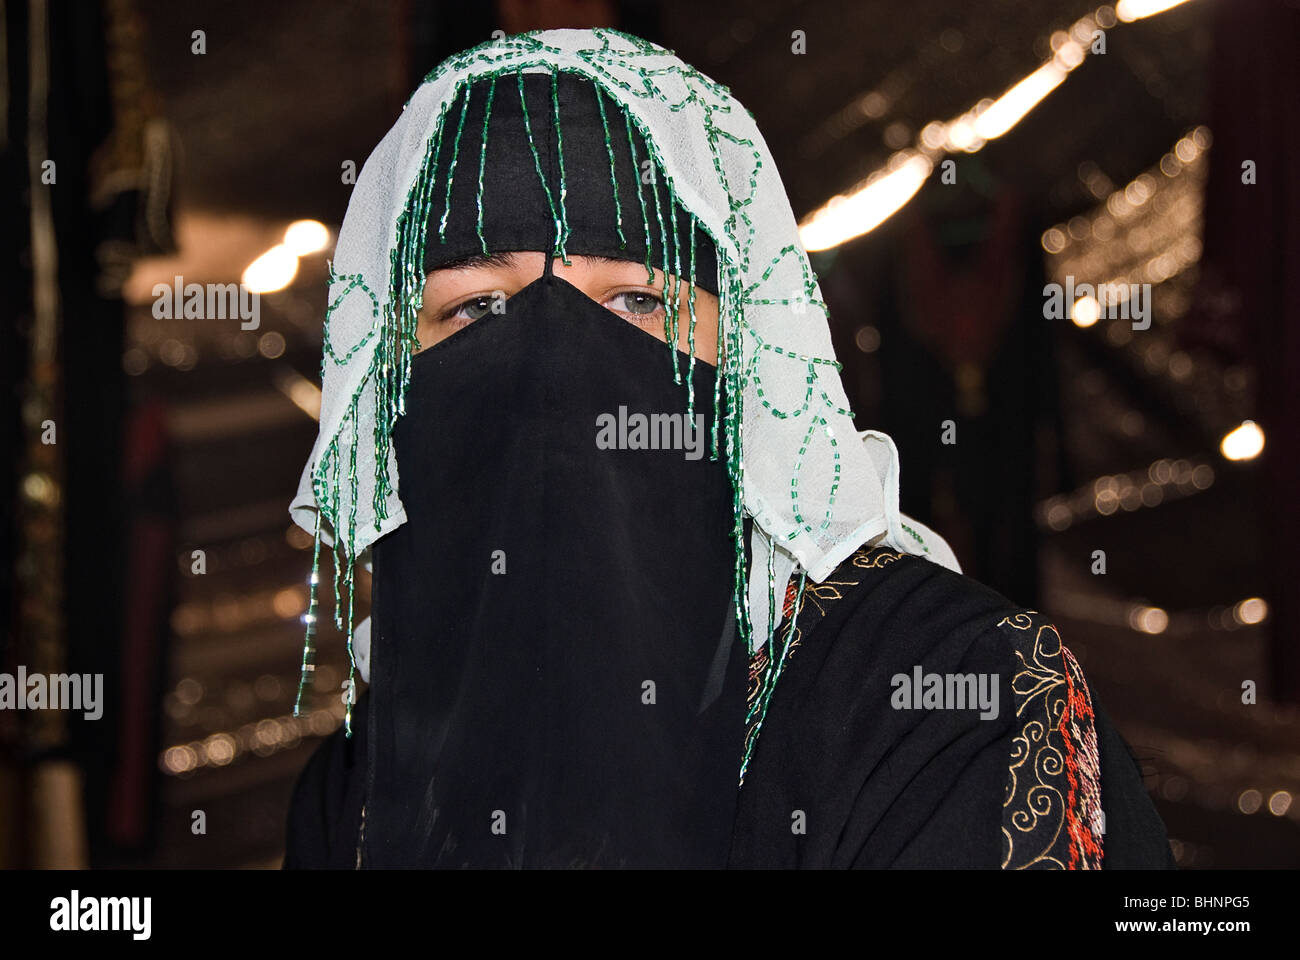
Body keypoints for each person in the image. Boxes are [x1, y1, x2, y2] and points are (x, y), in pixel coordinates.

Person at [284, 28, 1174, 869]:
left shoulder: (953, 706)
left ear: (748, 348)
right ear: (390, 377)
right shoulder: (366, 783)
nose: (554, 363)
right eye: (478, 308)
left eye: (636, 301)